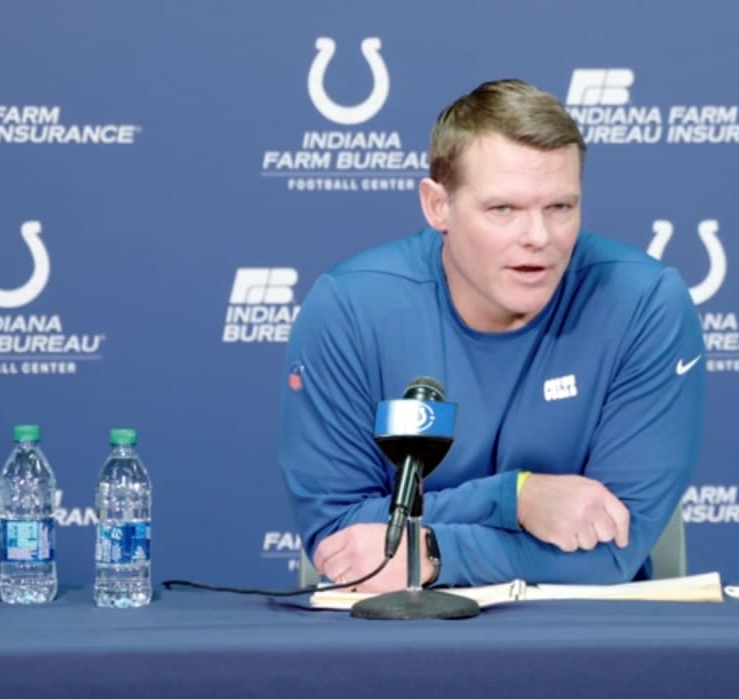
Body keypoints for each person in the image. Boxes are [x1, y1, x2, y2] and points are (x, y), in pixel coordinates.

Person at [279, 79, 704, 593]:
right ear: (437, 206)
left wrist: (430, 553)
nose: (538, 238)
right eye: (503, 210)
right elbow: (341, 539)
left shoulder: (645, 304)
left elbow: (614, 548)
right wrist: (515, 499)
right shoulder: (349, 309)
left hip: (584, 638)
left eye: (560, 208)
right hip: (393, 640)